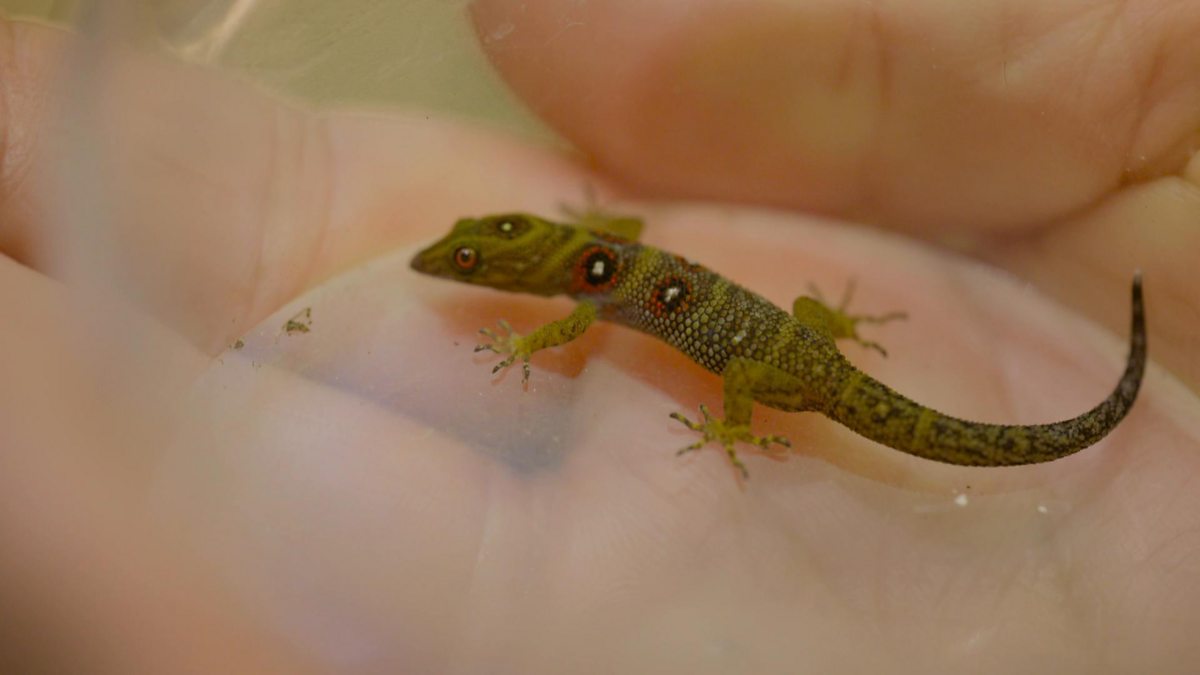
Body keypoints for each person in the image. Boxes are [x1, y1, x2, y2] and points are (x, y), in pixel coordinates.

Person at [1, 2, 1198, 671]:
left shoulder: (584, 291)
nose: (457, 266)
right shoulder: (598, 258)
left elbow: (574, 319)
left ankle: (785, 414)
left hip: (785, 372)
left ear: (516, 255)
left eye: (471, 261)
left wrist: (540, 360)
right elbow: (598, 262)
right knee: (809, 357)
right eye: (469, 259)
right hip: (800, 340)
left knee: (800, 391)